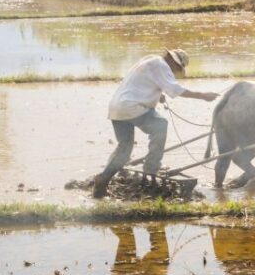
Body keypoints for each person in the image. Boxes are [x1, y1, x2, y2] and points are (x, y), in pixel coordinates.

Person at [93, 49, 218, 198]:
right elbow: (175, 89)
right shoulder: (161, 65)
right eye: (177, 68)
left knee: (124, 149)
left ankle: (102, 180)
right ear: (172, 61)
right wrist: (203, 95)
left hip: (117, 107)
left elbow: (141, 83)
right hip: (132, 107)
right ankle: (151, 167)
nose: (174, 71)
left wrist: (158, 96)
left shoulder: (150, 61)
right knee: (160, 125)